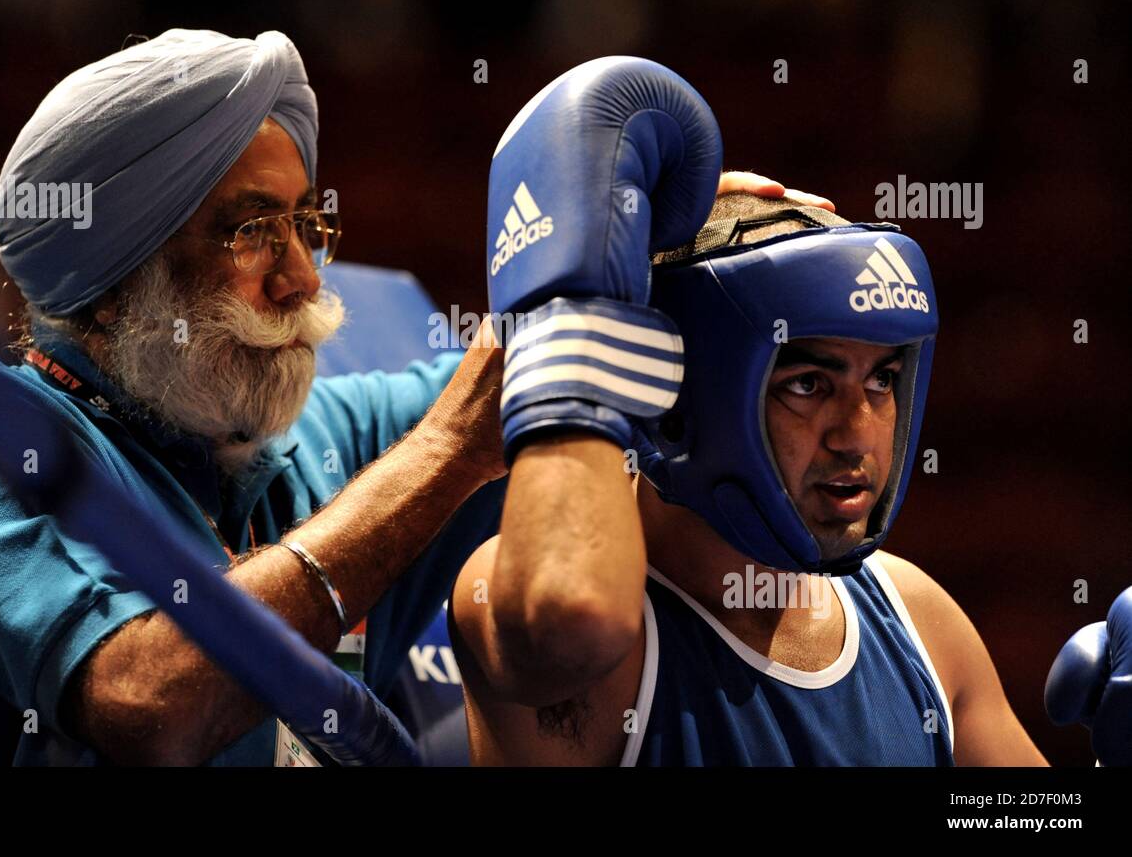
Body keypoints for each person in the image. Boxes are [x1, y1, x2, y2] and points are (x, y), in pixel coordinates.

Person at [0, 29, 514, 765]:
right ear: (113, 289)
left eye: (305, 225)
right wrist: (447, 451)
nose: (302, 276)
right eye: (252, 231)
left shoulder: (316, 435)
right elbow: (151, 706)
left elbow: (521, 377)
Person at [449, 58, 1050, 765]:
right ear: (683, 395)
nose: (858, 434)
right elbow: (565, 617)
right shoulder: (570, 627)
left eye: (882, 380)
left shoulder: (916, 617)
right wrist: (579, 324)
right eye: (807, 385)